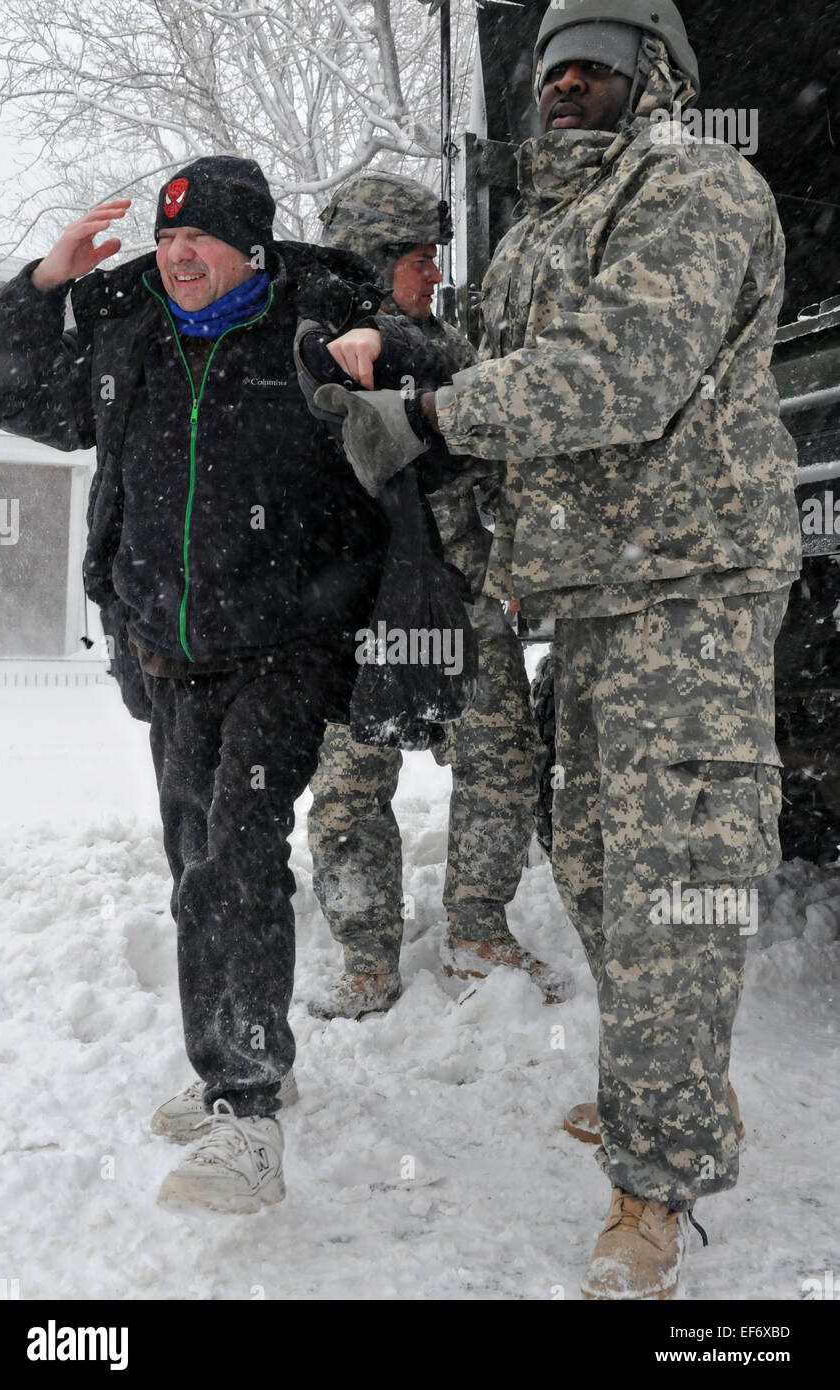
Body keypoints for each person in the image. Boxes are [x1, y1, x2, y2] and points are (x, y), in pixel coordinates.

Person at [317, 0, 801, 1298]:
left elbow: (618, 372)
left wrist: (426, 413)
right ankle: (674, 1089)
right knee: (588, 856)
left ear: (657, 74)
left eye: (593, 63)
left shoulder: (692, 184)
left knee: (669, 881)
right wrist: (396, 377)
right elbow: (497, 389)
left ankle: (655, 1184)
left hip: (691, 588)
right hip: (591, 596)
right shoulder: (539, 232)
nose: (563, 84)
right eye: (550, 68)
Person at [0, 155, 392, 1214]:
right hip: (167, 650)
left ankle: (244, 1106)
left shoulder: (310, 329)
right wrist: (42, 285)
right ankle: (239, 1058)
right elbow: (7, 392)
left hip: (286, 647)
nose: (175, 256)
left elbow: (430, 377)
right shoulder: (132, 341)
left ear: (249, 248)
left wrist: (380, 354)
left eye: (197, 237)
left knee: (238, 854)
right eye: (164, 239)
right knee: (195, 862)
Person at [303, 172, 558, 1021]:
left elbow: (495, 446)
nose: (435, 273)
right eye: (418, 258)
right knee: (349, 782)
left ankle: (478, 930)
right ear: (372, 261)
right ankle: (366, 956)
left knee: (502, 755)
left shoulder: (446, 350)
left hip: (460, 597)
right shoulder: (308, 350)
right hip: (357, 606)